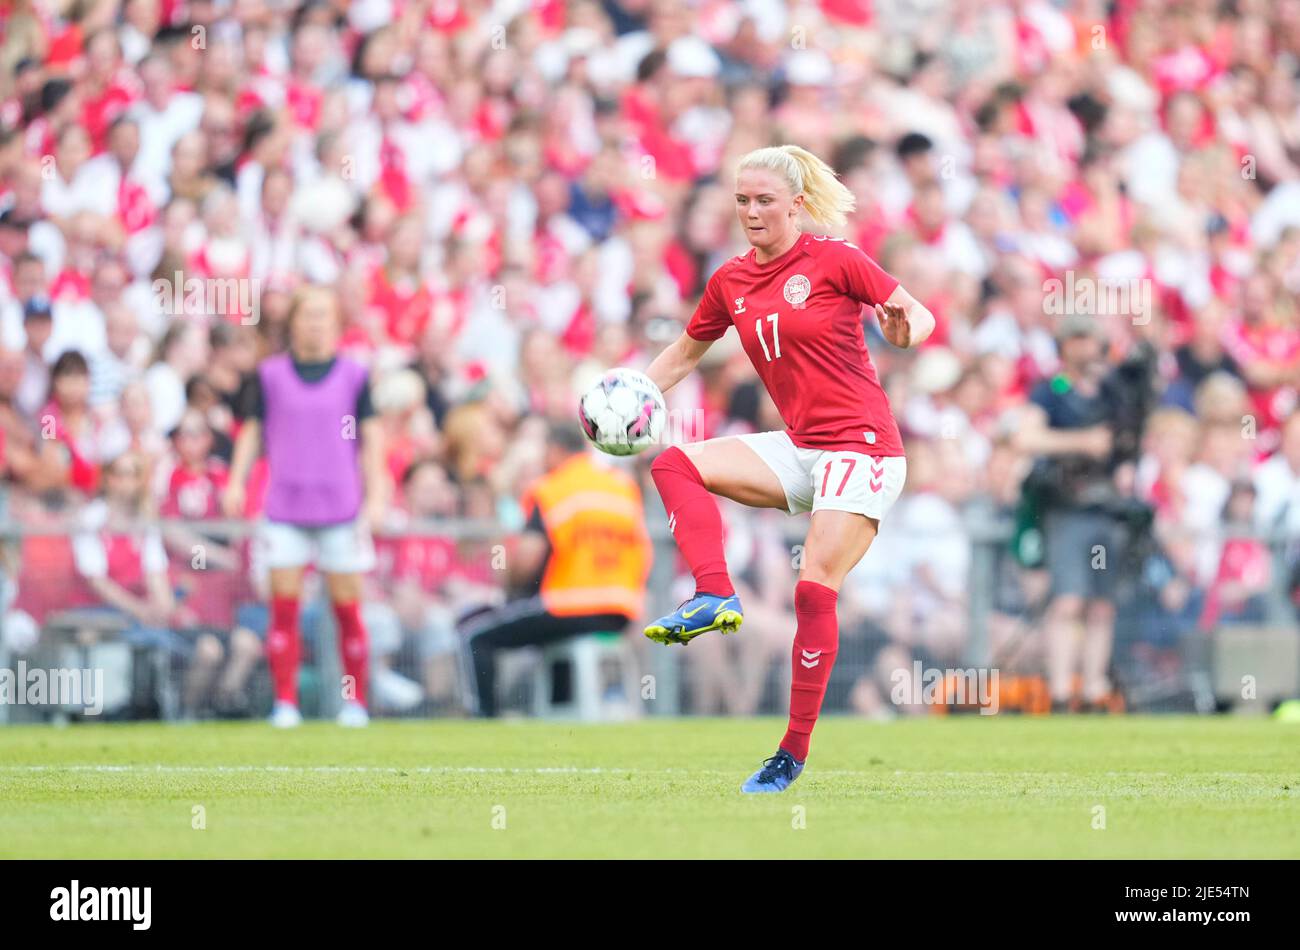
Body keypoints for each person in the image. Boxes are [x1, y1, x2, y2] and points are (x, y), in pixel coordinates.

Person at [641, 144, 935, 793]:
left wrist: (902, 329)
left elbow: (919, 315)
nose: (750, 211)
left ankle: (791, 752)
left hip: (863, 447)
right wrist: (632, 390)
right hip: (803, 446)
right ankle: (715, 593)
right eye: (742, 200)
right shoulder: (730, 281)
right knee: (673, 464)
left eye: (764, 200)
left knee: (811, 588)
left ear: (796, 205)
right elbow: (686, 353)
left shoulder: (835, 259)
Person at [223, 286, 387, 728]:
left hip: (340, 507)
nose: (314, 322)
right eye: (307, 313)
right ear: (292, 321)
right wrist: (237, 481)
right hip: (285, 508)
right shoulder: (269, 375)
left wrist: (377, 495)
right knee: (284, 607)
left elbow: (371, 441)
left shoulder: (354, 375)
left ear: (336, 323)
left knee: (347, 609)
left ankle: (354, 702)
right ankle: (285, 702)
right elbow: (251, 431)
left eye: (323, 314)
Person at [459, 422, 651, 717]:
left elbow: (526, 560)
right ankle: (563, 711)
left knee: (475, 634)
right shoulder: (622, 486)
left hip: (570, 607)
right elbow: (644, 553)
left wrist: (505, 575)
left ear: (555, 450)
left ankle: (485, 719)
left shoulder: (553, 488)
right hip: (621, 611)